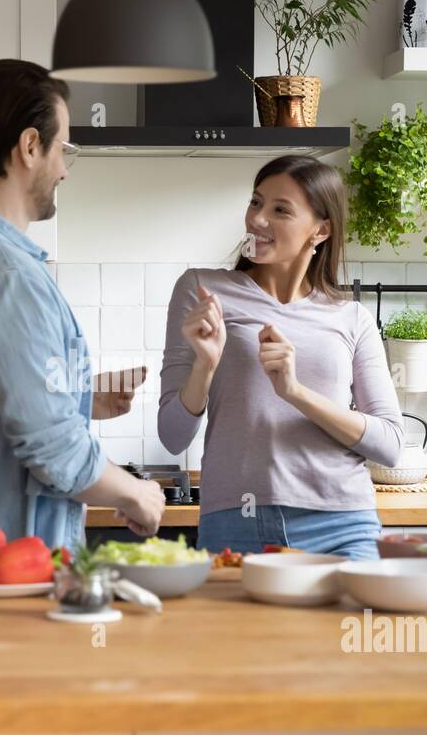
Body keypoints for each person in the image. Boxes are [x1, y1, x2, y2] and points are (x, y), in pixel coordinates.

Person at [0, 58, 164, 565]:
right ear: (28, 147)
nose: (64, 168)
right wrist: (136, 492)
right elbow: (55, 453)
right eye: (63, 149)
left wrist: (84, 395)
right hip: (12, 575)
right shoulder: (9, 276)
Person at [159, 155, 403, 560]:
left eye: (280, 210)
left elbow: (391, 444)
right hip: (236, 522)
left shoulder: (352, 317)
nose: (257, 220)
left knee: (354, 625)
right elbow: (172, 436)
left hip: (341, 524)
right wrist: (204, 366)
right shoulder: (202, 292)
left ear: (320, 230)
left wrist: (294, 391)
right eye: (255, 203)